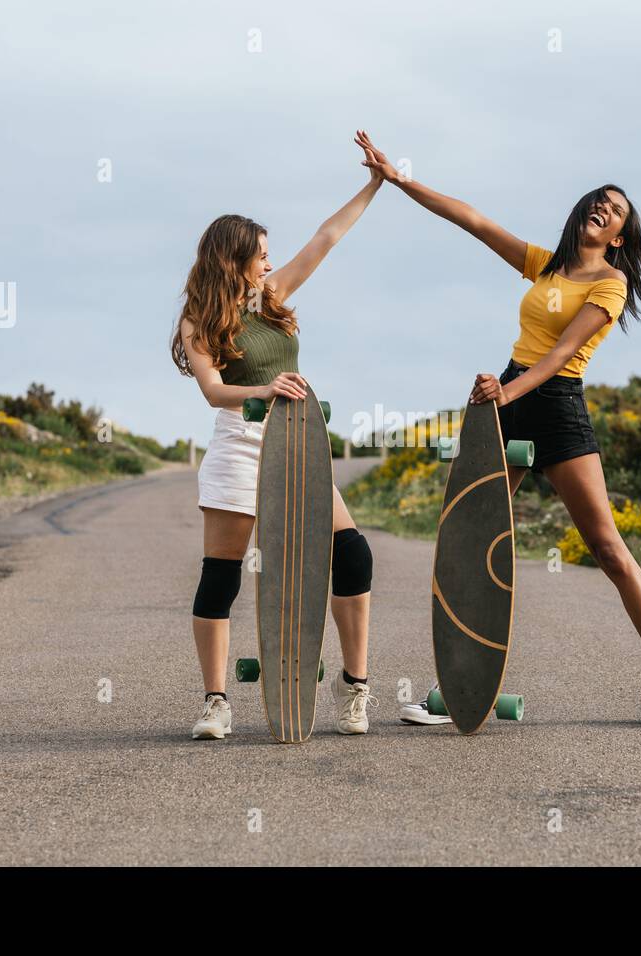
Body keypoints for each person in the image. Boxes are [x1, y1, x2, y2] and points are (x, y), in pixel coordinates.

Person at [355, 130, 641, 726]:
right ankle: (456, 688)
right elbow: (474, 221)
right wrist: (400, 180)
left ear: (619, 236)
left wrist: (504, 394)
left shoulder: (611, 283)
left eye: (615, 210)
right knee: (470, 541)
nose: (602, 208)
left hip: (555, 405)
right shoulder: (547, 266)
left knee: (608, 548)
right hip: (509, 393)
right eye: (599, 199)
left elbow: (561, 355)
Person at [172, 167, 381, 739]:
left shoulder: (273, 297)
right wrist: (262, 390)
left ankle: (354, 684)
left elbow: (326, 238)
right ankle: (216, 702)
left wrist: (375, 185)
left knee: (353, 554)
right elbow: (214, 390)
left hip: (294, 445)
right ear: (232, 258)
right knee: (221, 578)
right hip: (238, 447)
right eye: (260, 254)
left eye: (268, 254)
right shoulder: (200, 318)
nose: (269, 262)